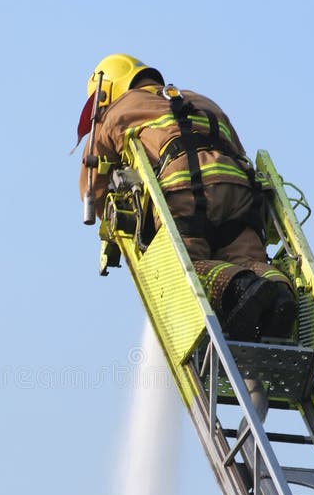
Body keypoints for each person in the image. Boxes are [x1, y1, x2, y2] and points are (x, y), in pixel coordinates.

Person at [76, 53, 297, 342]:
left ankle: (240, 287)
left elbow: (92, 189)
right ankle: (278, 293)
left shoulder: (119, 111)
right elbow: (237, 150)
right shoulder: (203, 101)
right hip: (242, 196)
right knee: (248, 259)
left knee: (183, 271)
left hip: (185, 196)